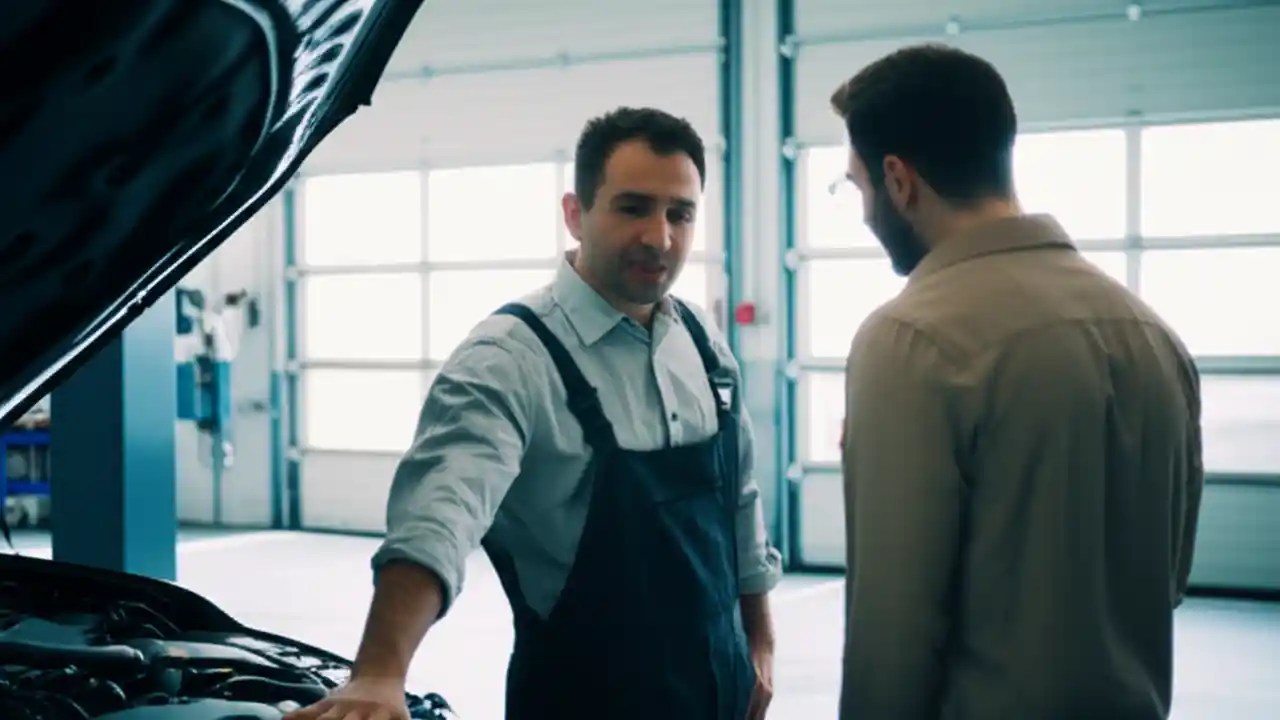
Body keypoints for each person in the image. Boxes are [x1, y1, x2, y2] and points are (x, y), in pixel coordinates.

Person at [285, 106, 782, 720]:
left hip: (720, 690)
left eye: (680, 213)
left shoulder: (705, 346)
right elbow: (439, 512)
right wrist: (381, 672)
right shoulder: (508, 359)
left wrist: (759, 640)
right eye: (633, 208)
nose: (660, 237)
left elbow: (741, 501)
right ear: (575, 214)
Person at [829, 44, 1204, 719]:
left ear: (899, 179)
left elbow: (893, 631)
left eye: (857, 186)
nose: (862, 211)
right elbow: (1168, 577)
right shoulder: (1152, 335)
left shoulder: (911, 341)